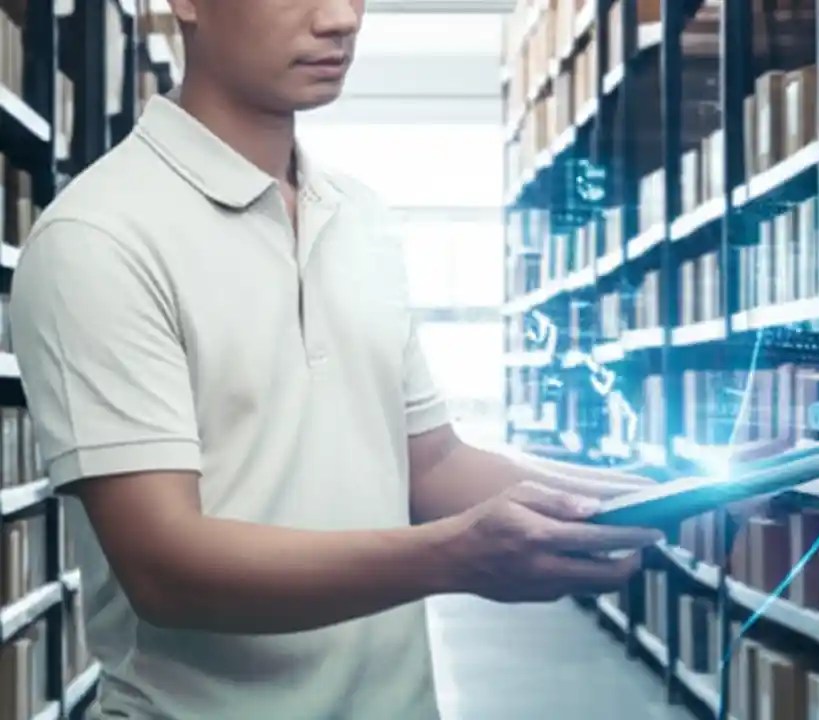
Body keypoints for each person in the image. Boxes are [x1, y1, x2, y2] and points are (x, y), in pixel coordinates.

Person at [9, 1, 664, 718]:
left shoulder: (361, 218)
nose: (341, 19)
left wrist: (652, 494)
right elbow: (165, 568)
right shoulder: (98, 238)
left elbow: (433, 464)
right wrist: (452, 558)